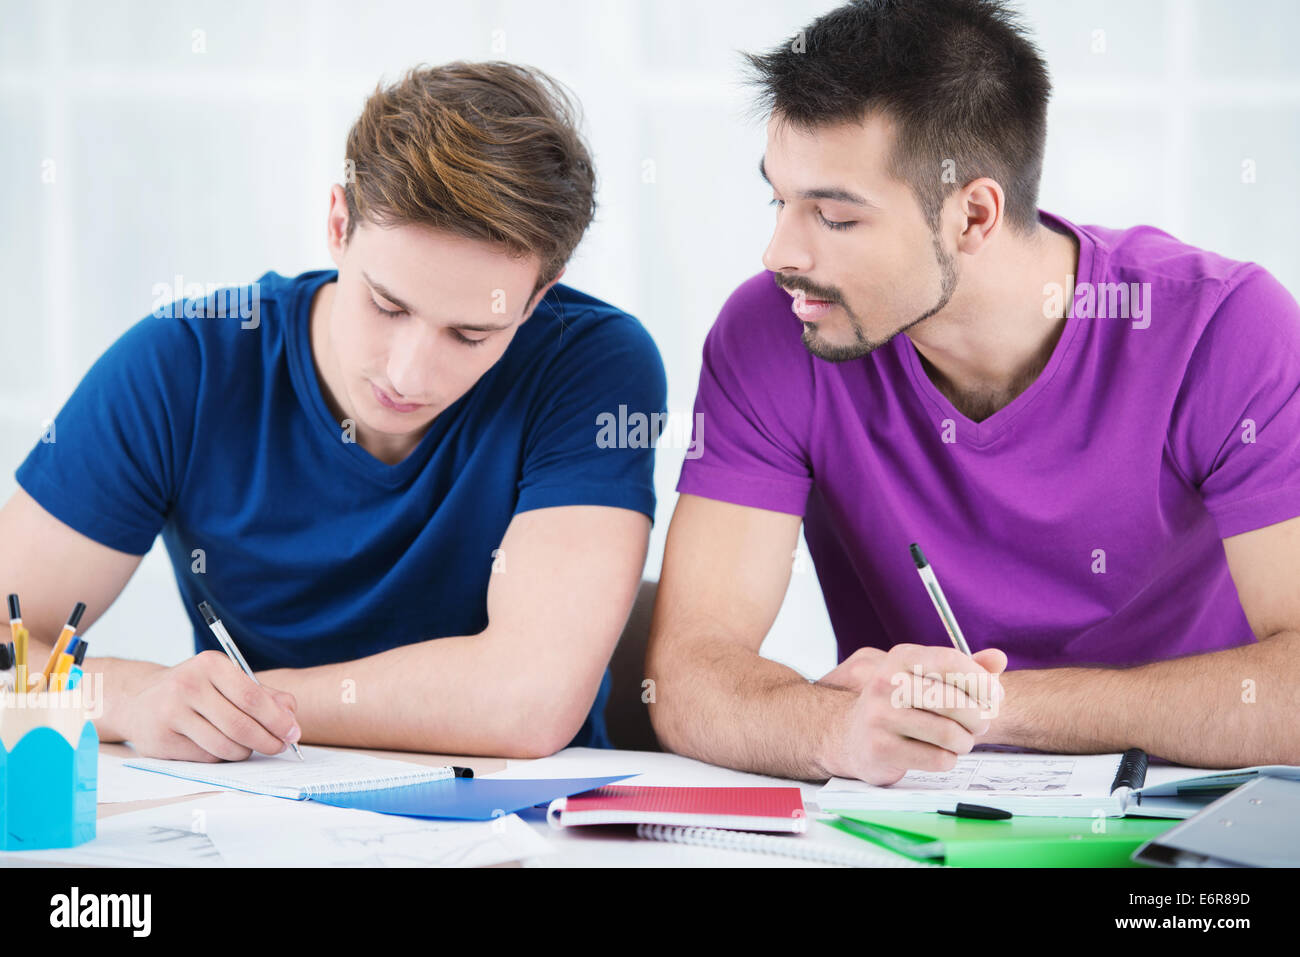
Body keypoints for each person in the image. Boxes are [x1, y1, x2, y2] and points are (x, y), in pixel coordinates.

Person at [647, 0, 1300, 783]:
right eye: (779, 200)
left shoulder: (1224, 330)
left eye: (834, 216)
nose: (779, 251)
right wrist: (836, 727)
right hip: (916, 823)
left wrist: (989, 707)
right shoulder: (775, 332)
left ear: (973, 215)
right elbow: (686, 676)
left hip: (1183, 818)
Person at [4, 61, 666, 761]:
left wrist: (248, 704)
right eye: (387, 304)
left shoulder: (594, 366)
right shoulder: (184, 368)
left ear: (538, 298)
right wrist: (127, 695)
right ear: (338, 224)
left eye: (471, 334)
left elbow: (526, 703)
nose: (409, 374)